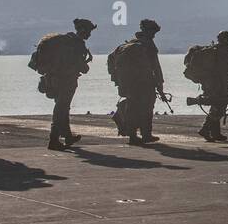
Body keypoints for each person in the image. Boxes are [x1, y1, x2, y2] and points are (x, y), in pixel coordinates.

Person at [30, 18, 97, 151]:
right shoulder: (77, 44)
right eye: (88, 31)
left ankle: (67, 136)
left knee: (63, 107)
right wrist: (86, 65)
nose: (89, 35)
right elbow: (82, 67)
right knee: (61, 108)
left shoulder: (64, 41)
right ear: (83, 30)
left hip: (53, 80)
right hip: (67, 81)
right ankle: (53, 139)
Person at [109, 19, 164, 145]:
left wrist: (118, 80)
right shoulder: (148, 45)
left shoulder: (129, 44)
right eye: (153, 32)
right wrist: (160, 84)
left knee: (133, 108)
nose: (154, 35)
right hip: (145, 83)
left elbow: (112, 59)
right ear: (148, 31)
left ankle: (133, 135)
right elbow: (156, 66)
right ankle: (146, 134)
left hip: (130, 84)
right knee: (147, 108)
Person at [187, 30, 228, 141]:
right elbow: (222, 71)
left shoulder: (217, 51)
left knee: (217, 106)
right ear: (225, 40)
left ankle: (215, 133)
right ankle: (205, 129)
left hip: (213, 84)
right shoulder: (222, 52)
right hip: (216, 85)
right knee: (219, 107)